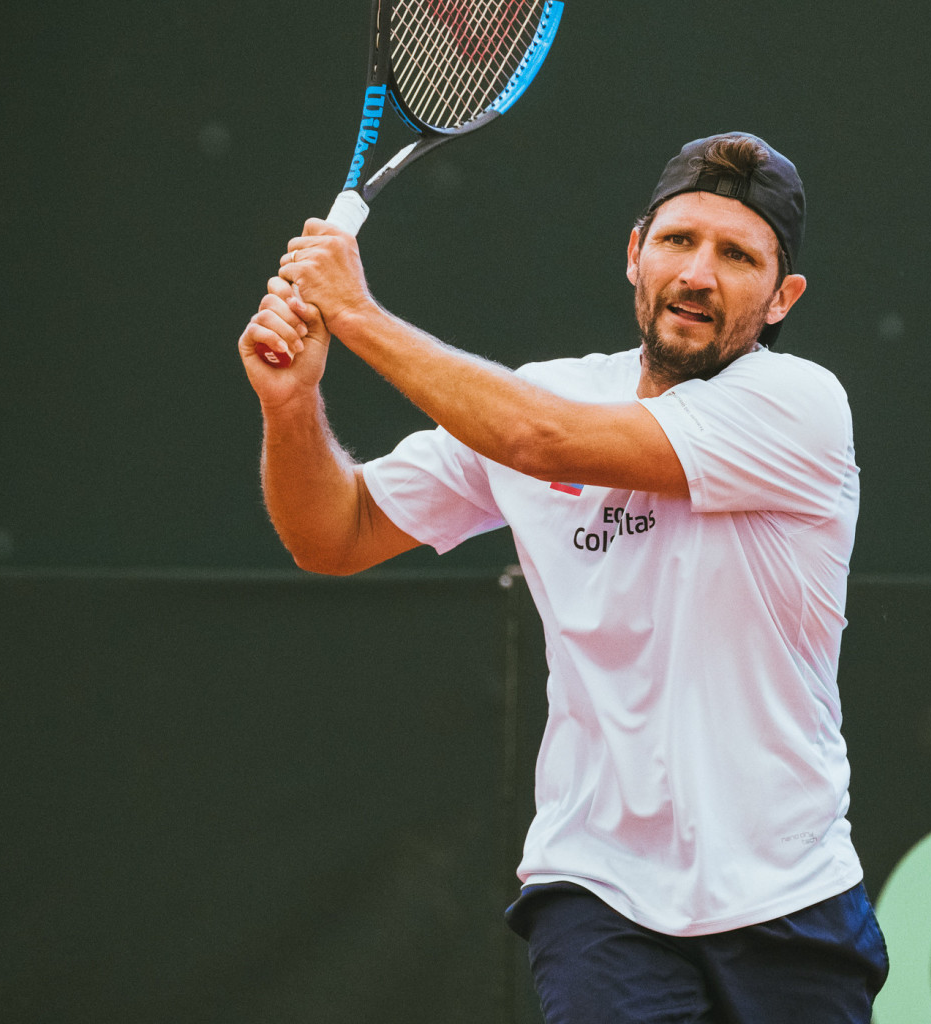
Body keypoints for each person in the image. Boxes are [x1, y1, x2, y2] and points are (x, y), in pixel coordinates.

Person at [238, 132, 888, 1022]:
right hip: (599, 894)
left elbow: (537, 440)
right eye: (678, 240)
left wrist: (355, 315)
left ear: (783, 298)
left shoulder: (801, 407)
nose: (699, 273)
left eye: (738, 256)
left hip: (791, 898)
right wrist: (291, 406)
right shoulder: (544, 393)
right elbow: (335, 533)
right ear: (635, 253)